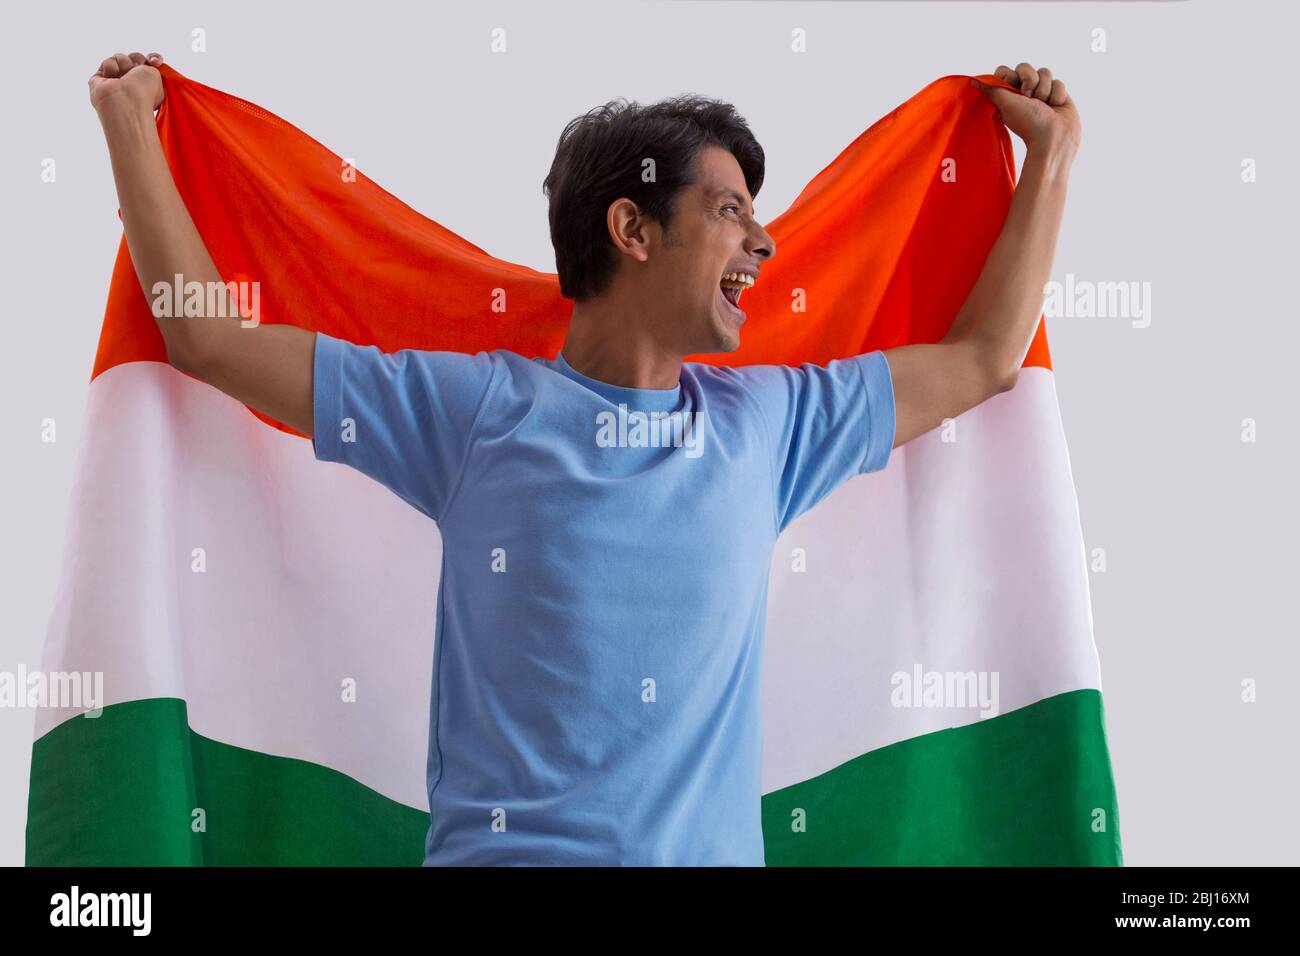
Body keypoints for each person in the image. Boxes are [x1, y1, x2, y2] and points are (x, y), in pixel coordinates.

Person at [87, 52, 1080, 865]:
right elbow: (209, 341)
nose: (764, 241)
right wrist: (132, 127)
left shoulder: (771, 426)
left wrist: (1051, 158)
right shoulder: (471, 411)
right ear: (630, 227)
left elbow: (984, 358)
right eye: (730, 209)